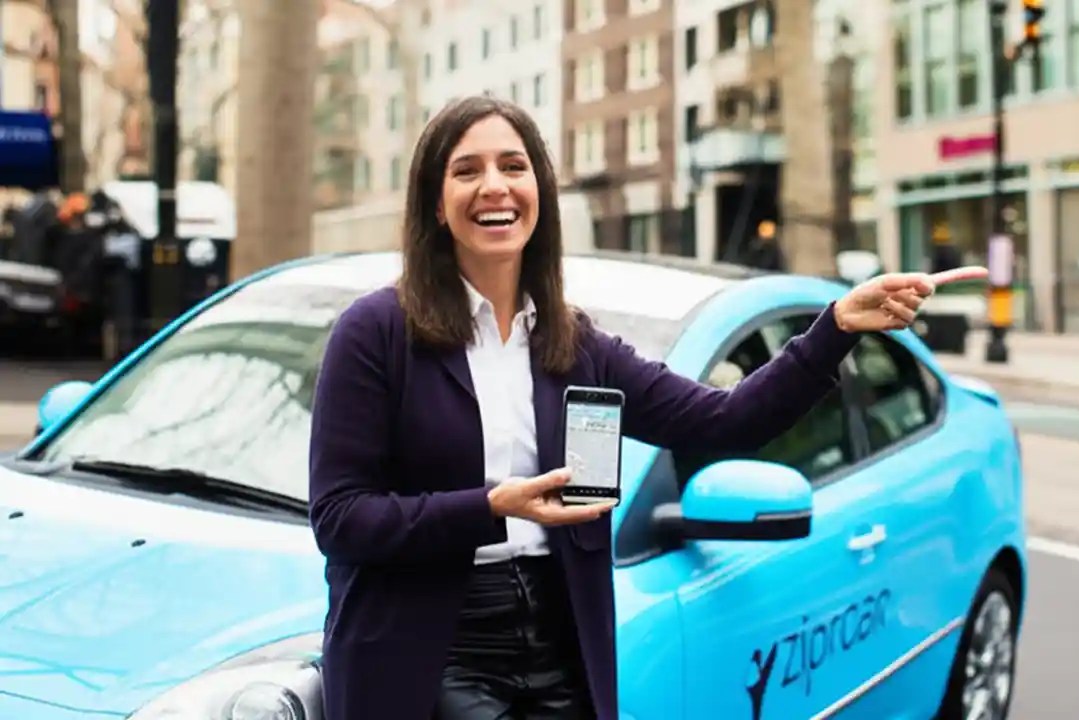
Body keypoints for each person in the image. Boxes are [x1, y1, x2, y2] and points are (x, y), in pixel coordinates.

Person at [307, 94, 987, 720]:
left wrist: (835, 325)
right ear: (434, 201)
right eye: (467, 170)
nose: (495, 186)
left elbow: (727, 421)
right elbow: (340, 518)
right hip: (431, 647)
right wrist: (490, 507)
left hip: (559, 644)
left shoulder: (574, 344)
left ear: (539, 190)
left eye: (514, 165)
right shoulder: (376, 334)